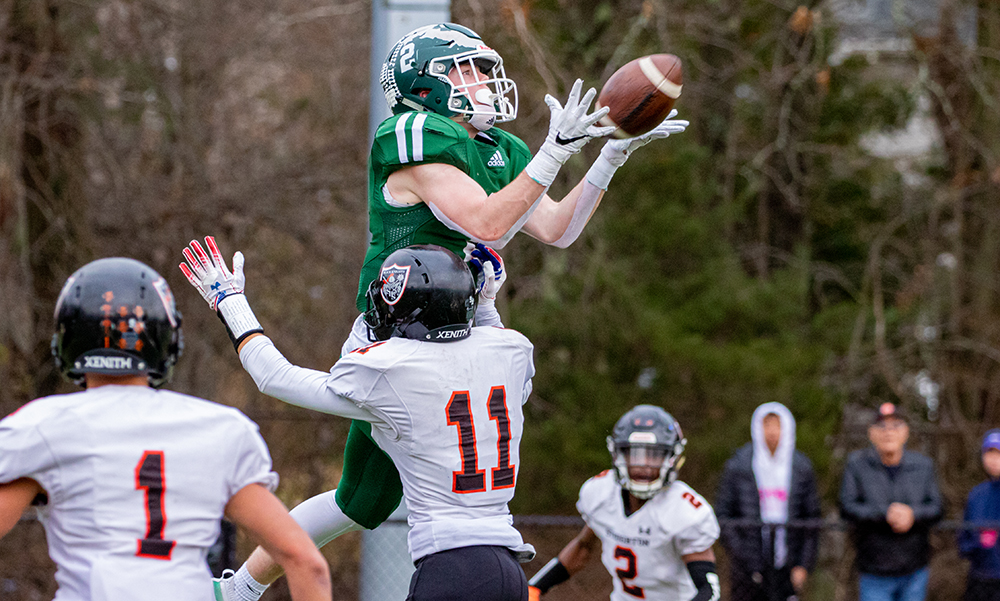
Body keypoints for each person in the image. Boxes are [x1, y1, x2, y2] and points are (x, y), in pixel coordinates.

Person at [209, 20, 690, 600]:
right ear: (426, 84)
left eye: (486, 70)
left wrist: (608, 157)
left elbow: (556, 229)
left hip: (462, 327)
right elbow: (486, 223)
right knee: (362, 500)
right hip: (398, 333)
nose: (486, 82)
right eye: (469, 70)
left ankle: (242, 590)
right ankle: (242, 589)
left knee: (363, 500)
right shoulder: (413, 133)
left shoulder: (495, 149)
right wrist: (554, 151)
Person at [181, 241, 536, 601]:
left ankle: (237, 591)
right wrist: (486, 306)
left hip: (452, 571)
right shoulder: (511, 349)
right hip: (509, 570)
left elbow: (275, 376)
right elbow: (508, 375)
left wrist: (230, 301)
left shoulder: (395, 371)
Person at [0, 258, 331, 601]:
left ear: (66, 338)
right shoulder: (219, 430)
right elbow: (306, 563)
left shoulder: (43, 428)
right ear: (165, 339)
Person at [528, 405, 721, 601]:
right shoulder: (602, 494)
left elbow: (709, 590)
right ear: (617, 454)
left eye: (653, 455)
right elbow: (583, 547)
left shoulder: (684, 510)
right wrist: (536, 587)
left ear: (672, 457)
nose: (643, 465)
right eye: (634, 454)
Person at [714, 402, 821, 601]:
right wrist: (741, 555)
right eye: (767, 424)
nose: (772, 431)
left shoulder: (801, 467)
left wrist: (803, 564)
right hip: (746, 568)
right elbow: (723, 515)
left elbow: (812, 520)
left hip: (787, 565)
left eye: (777, 425)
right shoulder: (739, 465)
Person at [839, 402, 943, 601]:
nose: (888, 432)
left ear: (905, 432)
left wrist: (912, 514)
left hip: (914, 570)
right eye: (882, 426)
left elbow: (937, 508)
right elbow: (847, 507)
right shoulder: (857, 465)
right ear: (871, 433)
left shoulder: (923, 466)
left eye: (895, 426)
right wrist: (885, 514)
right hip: (873, 570)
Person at [958, 429, 1000, 601]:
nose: (994, 459)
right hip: (979, 578)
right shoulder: (977, 494)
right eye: (989, 453)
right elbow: (963, 537)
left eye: (998, 454)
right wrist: (978, 543)